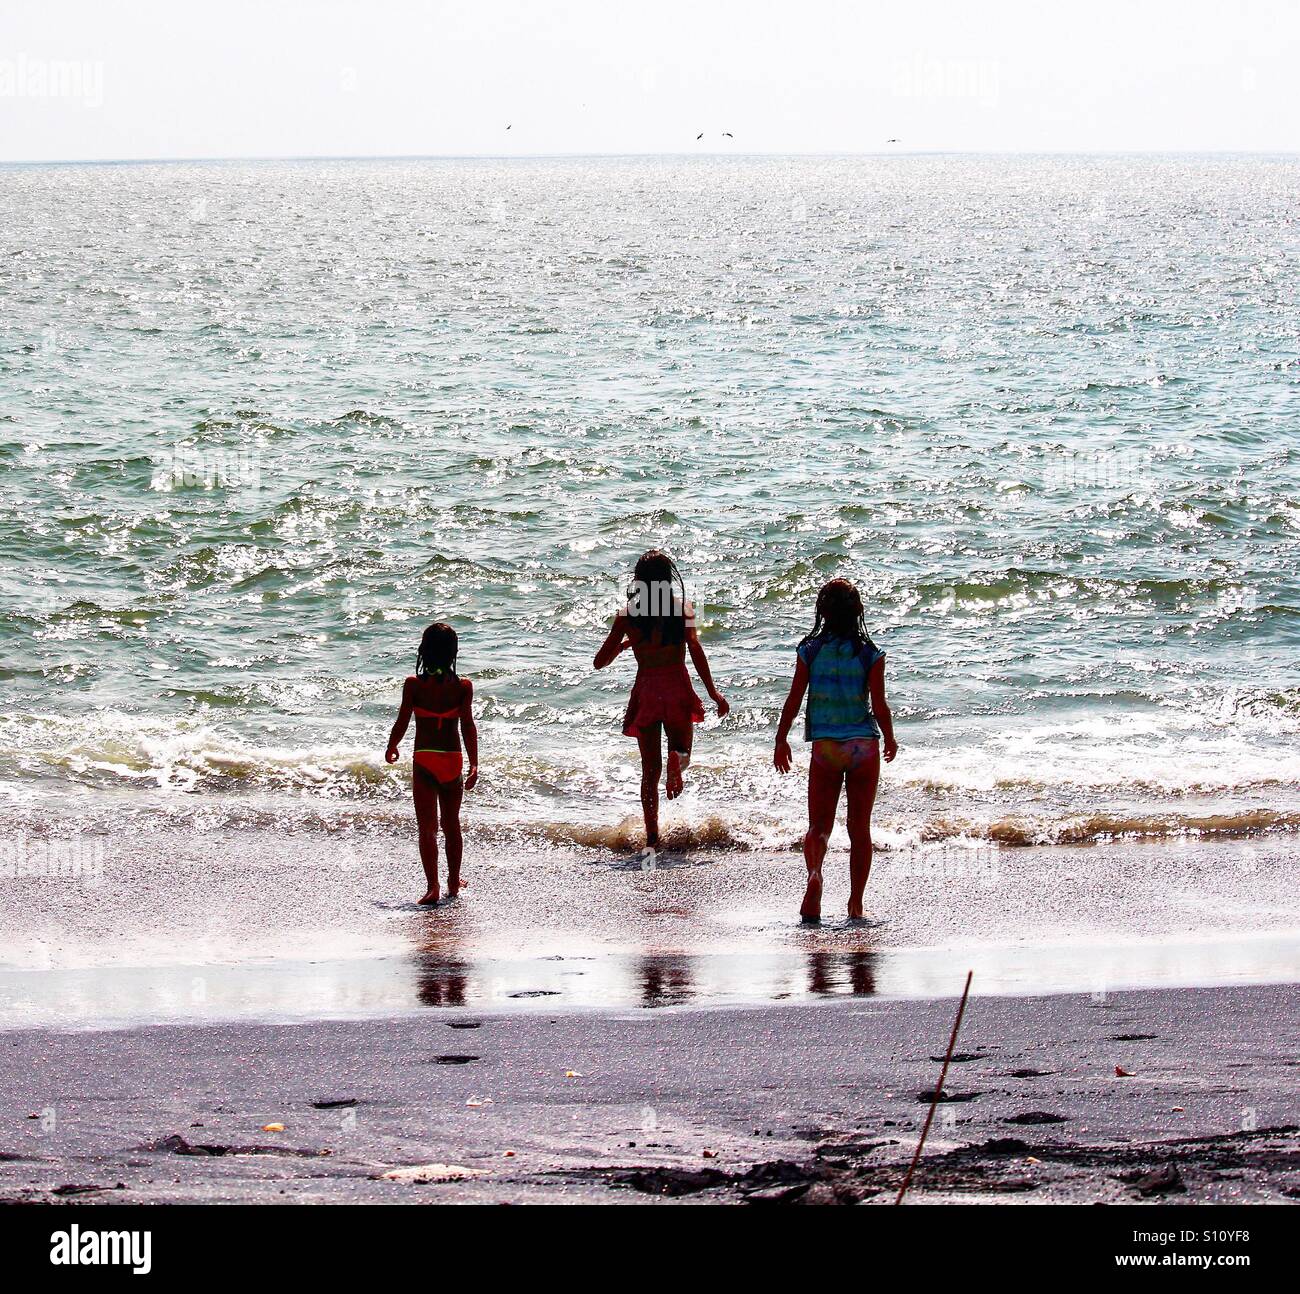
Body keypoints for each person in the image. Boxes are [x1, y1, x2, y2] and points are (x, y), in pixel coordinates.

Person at [773, 579, 896, 921]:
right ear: (858, 611)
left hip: (826, 748)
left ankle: (815, 874)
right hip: (863, 747)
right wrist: (890, 737)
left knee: (819, 827)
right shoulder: (870, 653)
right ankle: (855, 903)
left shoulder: (810, 651)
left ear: (822, 612)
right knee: (860, 830)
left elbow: (794, 699)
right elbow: (881, 705)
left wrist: (781, 738)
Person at [594, 549, 728, 850]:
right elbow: (695, 651)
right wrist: (713, 692)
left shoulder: (627, 616)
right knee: (683, 752)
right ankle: (676, 764)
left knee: (648, 771)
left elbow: (599, 662)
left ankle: (652, 837)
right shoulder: (683, 610)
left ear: (639, 582)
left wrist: (625, 644)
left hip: (647, 690)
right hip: (677, 686)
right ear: (668, 580)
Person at [385, 622, 478, 904]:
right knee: (452, 825)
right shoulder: (463, 687)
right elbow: (467, 726)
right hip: (452, 760)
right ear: (454, 653)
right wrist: (474, 764)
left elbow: (402, 720)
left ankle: (432, 886)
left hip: (424, 759)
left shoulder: (414, 685)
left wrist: (392, 745)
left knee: (427, 827)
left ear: (423, 651)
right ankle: (453, 882)